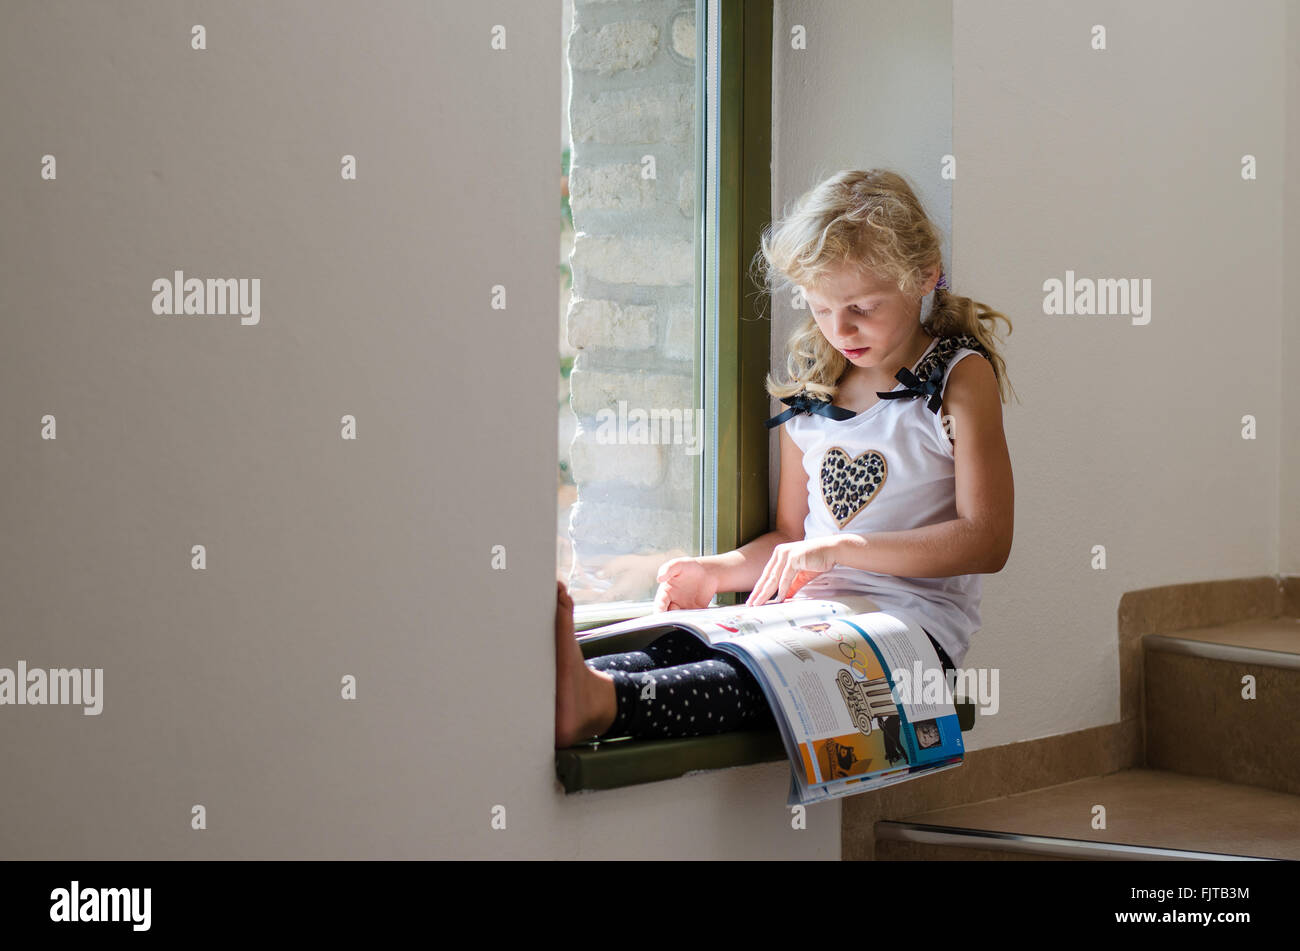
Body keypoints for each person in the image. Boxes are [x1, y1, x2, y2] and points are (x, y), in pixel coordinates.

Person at [555, 168, 1016, 749]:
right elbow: (790, 538)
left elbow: (988, 540)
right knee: (684, 646)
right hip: (810, 618)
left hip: (912, 636)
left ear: (924, 277)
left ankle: (599, 703)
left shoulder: (956, 377)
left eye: (863, 307)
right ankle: (578, 687)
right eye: (821, 309)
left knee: (759, 679)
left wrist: (842, 550)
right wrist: (715, 571)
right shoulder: (812, 392)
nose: (839, 328)